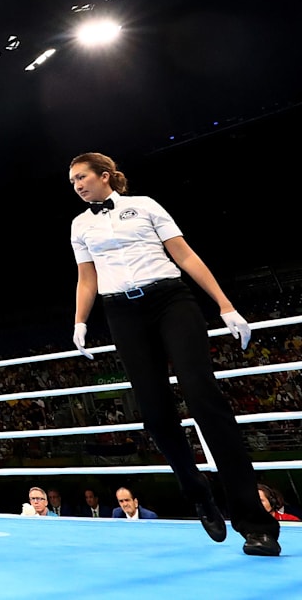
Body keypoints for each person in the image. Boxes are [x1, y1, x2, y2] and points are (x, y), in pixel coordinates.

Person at [68, 152, 280, 556]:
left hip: (170, 300)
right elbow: (86, 278)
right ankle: (197, 491)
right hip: (121, 313)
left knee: (204, 399)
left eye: (82, 177)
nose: (77, 185)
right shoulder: (80, 224)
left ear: (105, 175)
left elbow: (184, 254)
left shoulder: (144, 205)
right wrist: (79, 321)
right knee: (154, 412)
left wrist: (225, 305)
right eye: (72, 181)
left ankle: (256, 524)